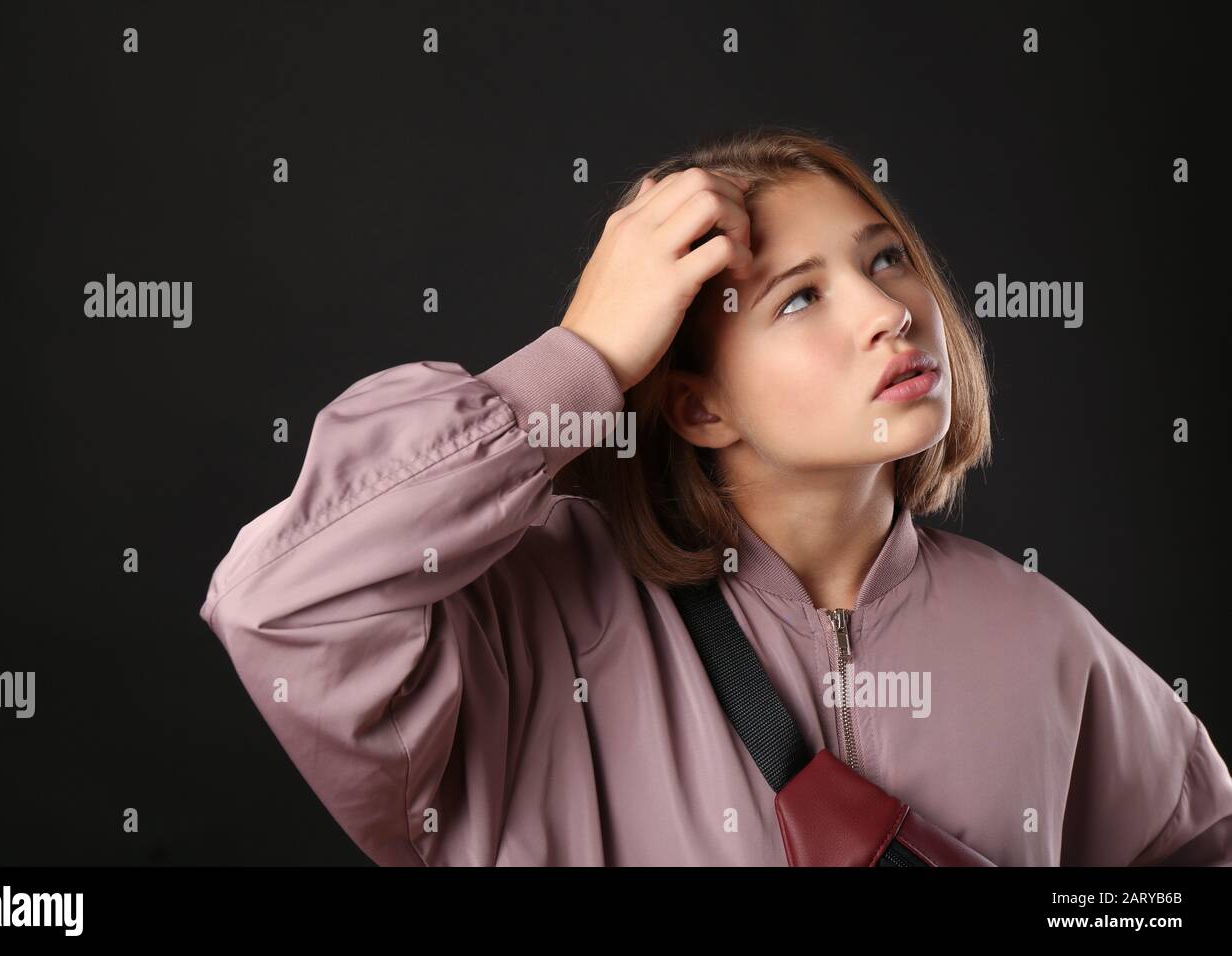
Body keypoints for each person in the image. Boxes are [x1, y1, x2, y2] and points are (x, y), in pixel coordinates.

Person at [198, 127, 1232, 866]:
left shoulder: (1044, 638)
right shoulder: (530, 626)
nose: (886, 310)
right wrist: (583, 357)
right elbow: (279, 598)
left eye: (886, 259)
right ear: (698, 408)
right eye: (802, 296)